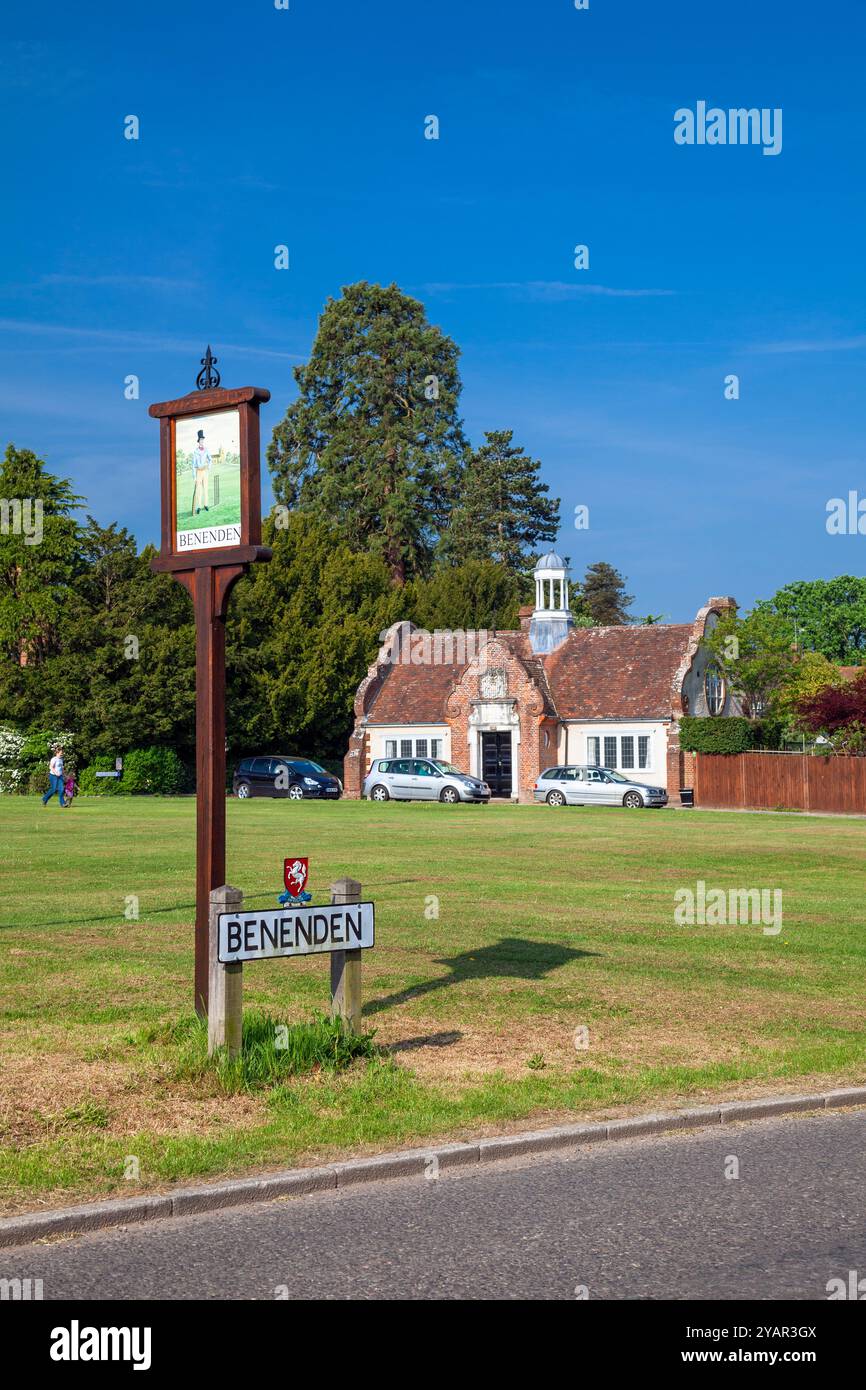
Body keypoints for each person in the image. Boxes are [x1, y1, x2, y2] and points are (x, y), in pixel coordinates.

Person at [191, 429, 212, 515]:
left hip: (205, 471)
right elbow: (193, 465)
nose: (202, 441)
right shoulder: (195, 451)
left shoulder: (206, 450)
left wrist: (208, 467)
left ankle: (206, 505)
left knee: (206, 489)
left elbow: (210, 460)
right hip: (198, 472)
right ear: (198, 441)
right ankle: (198, 507)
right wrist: (194, 477)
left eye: (203, 440)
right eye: (200, 440)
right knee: (199, 490)